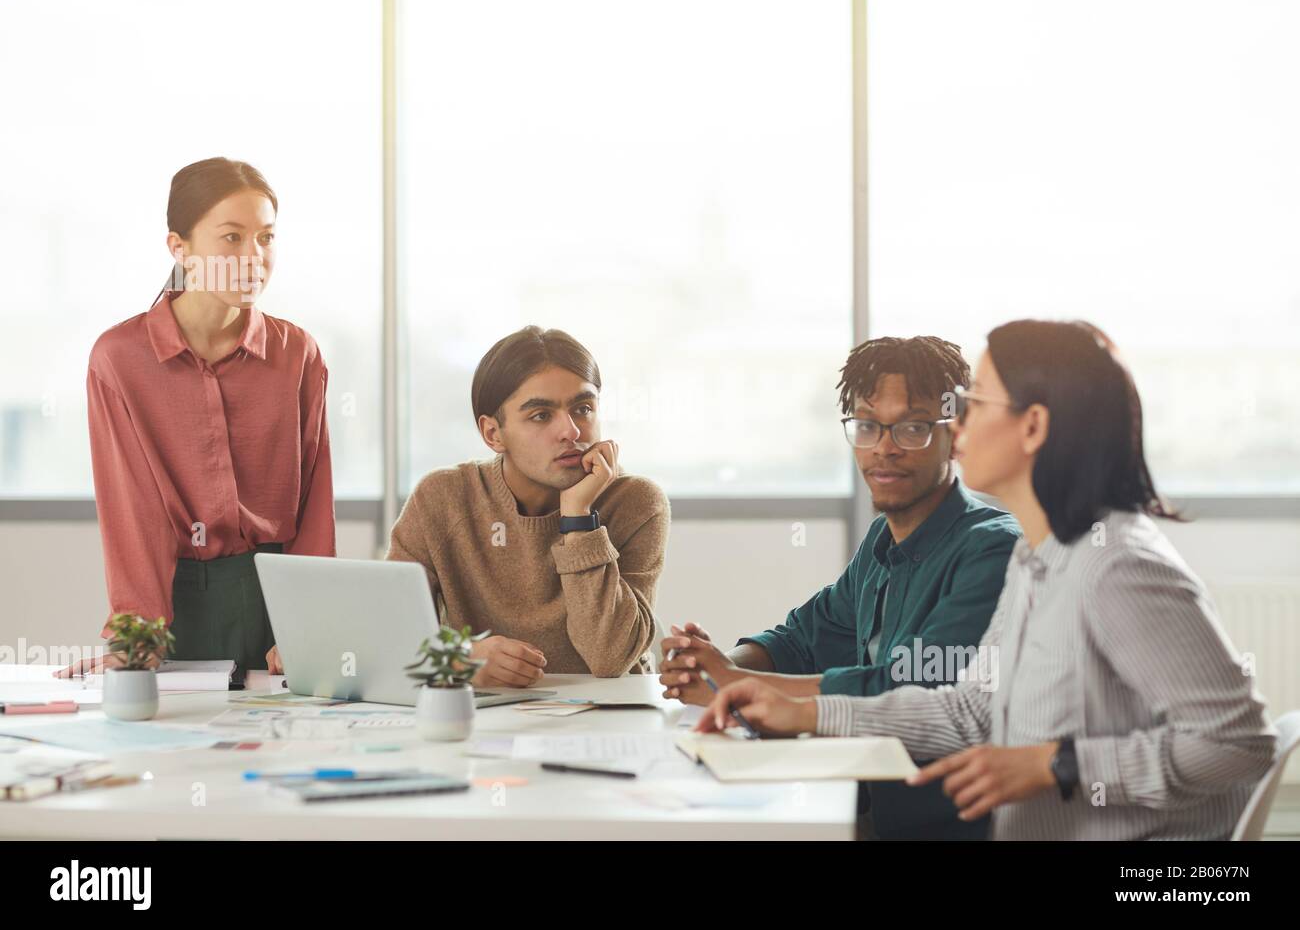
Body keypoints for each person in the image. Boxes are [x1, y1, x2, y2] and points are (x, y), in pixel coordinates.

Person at [698, 320, 1275, 840]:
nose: (959, 422)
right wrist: (807, 711)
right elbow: (970, 712)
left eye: (973, 405)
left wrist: (1056, 765)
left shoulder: (1118, 566)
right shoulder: (1039, 555)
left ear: (1033, 426)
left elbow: (1240, 745)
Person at [660, 335, 1020, 838]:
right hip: (868, 811)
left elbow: (914, 688)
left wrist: (736, 686)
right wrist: (716, 662)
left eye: (913, 427)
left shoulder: (992, 548)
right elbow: (805, 637)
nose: (885, 447)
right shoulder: (883, 537)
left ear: (955, 433)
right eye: (868, 426)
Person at [57, 157, 335, 683]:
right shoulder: (119, 359)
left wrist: (309, 625)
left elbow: (315, 502)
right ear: (178, 247)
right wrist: (137, 638)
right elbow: (132, 511)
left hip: (280, 607)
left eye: (266, 238)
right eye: (232, 237)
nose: (253, 257)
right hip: (175, 610)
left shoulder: (297, 352)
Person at [387, 326, 669, 686]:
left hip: (611, 713)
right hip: (489, 718)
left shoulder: (636, 502)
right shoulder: (442, 499)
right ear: (493, 434)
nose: (571, 431)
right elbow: (390, 638)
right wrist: (460, 660)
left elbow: (609, 657)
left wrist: (578, 519)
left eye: (583, 408)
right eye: (540, 415)